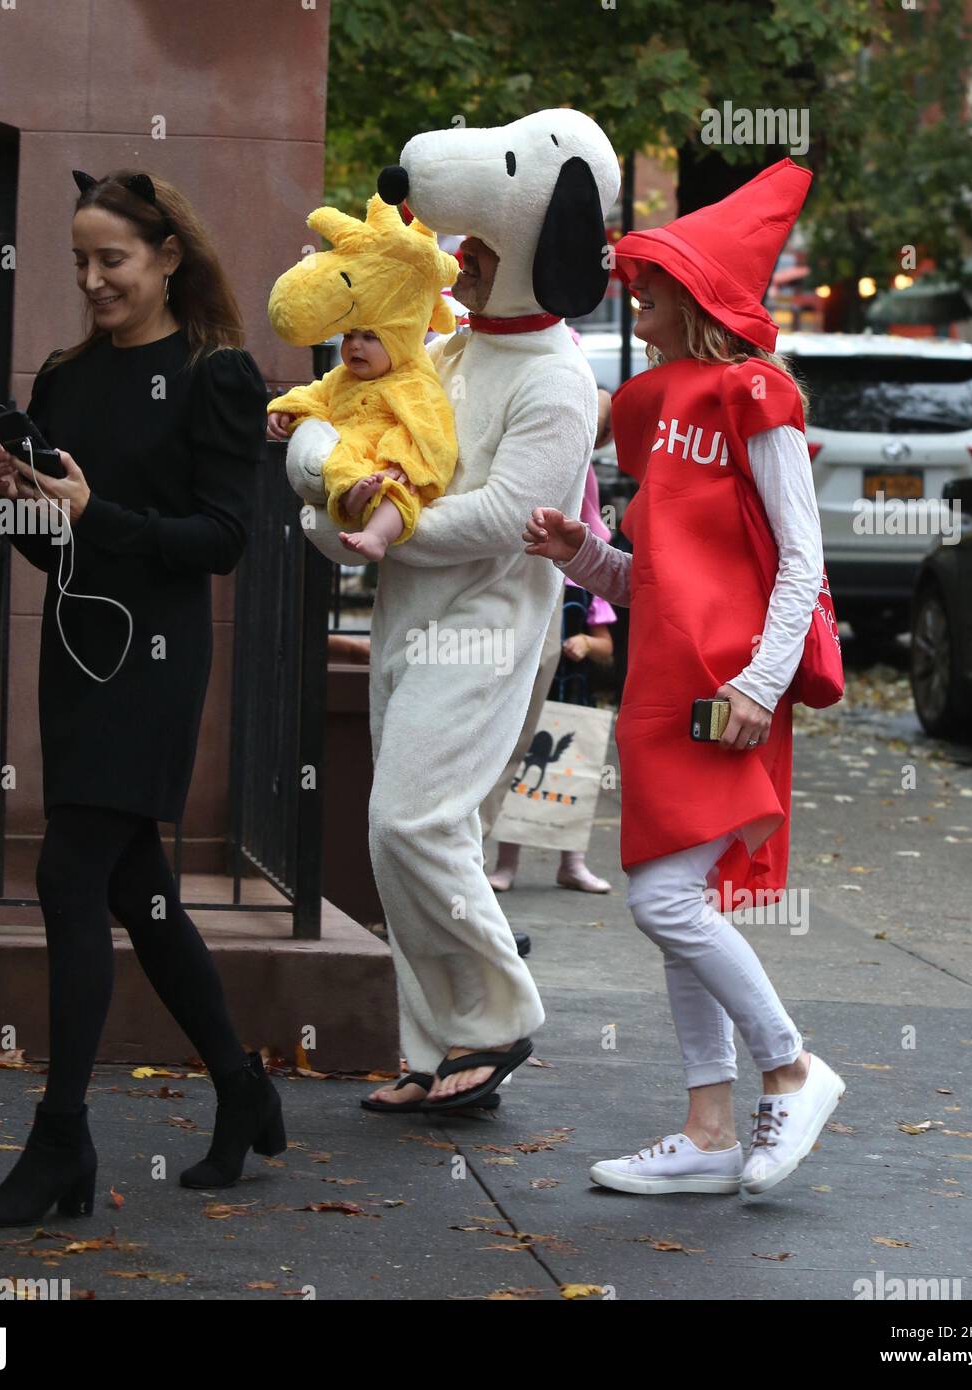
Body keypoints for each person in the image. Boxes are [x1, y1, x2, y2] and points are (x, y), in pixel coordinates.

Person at [286, 109, 621, 1113]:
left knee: (409, 822)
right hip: (409, 615)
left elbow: (505, 519)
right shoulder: (456, 350)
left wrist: (380, 510)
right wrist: (331, 498)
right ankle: (435, 1048)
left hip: (484, 628)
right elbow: (361, 437)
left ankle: (499, 1017)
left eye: (475, 250)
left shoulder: (560, 377)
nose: (457, 263)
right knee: (435, 837)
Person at [524, 159, 846, 1197]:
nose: (634, 291)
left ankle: (790, 1068)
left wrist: (757, 682)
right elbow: (652, 577)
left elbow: (801, 560)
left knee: (664, 900)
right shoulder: (658, 407)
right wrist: (579, 551)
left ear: (701, 291)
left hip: (721, 698)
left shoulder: (759, 395)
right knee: (676, 897)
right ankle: (709, 1129)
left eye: (652, 280)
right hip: (664, 697)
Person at [0, 169, 279, 1226]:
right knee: (137, 888)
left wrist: (96, 514)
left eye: (114, 260)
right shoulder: (65, 374)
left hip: (154, 658)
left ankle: (62, 1138)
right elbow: (54, 553)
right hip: (78, 648)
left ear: (168, 257)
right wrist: (18, 501)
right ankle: (239, 1084)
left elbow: (219, 541)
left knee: (70, 871)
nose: (93, 279)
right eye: (80, 261)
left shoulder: (214, 375)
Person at [266, 195, 460, 562]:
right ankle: (354, 496)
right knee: (342, 464)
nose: (355, 346)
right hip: (350, 455)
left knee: (398, 498)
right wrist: (287, 410)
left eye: (370, 338)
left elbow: (430, 431)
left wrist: (404, 465)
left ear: (402, 338)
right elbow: (316, 394)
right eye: (350, 336)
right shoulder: (342, 377)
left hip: (389, 463)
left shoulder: (413, 382)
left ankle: (375, 535)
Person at [485, 441, 618, 896]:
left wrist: (584, 641)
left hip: (571, 695)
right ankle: (506, 862)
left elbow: (607, 647)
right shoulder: (539, 572)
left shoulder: (593, 585)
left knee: (569, 779)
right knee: (520, 768)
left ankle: (572, 863)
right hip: (534, 691)